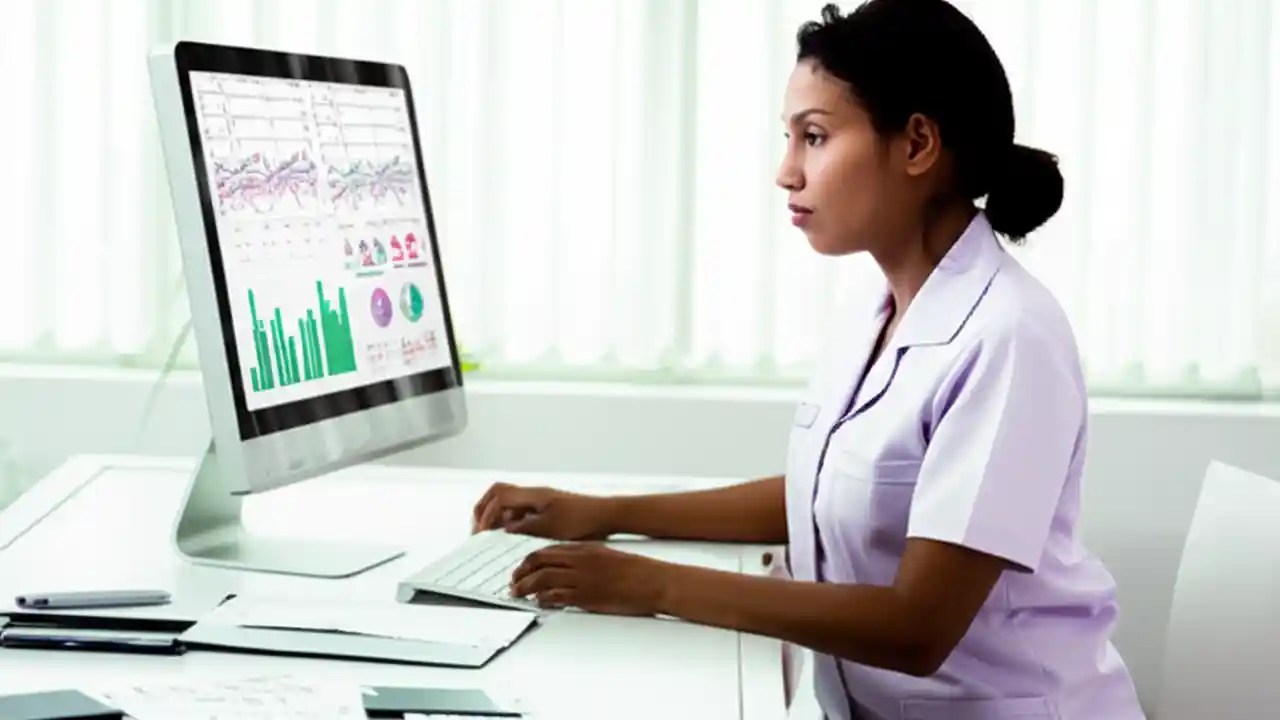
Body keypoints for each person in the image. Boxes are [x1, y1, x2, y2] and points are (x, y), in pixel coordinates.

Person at [471, 1, 1145, 718]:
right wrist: (604, 514)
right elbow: (825, 495)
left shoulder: (1010, 337)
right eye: (788, 139)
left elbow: (919, 628)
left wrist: (650, 585)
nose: (786, 172)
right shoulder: (879, 307)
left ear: (917, 144)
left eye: (814, 138)